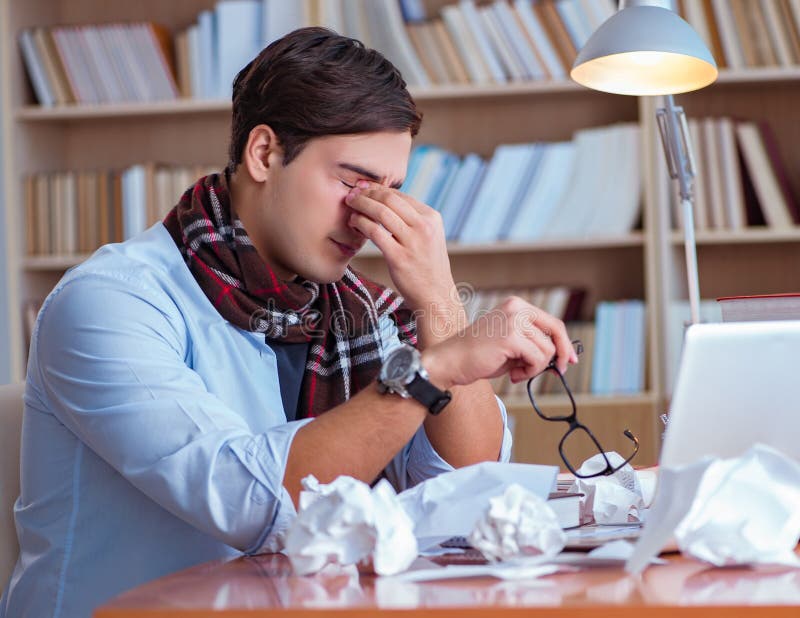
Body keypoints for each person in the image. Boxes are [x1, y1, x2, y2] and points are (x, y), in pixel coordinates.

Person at [0, 27, 577, 618]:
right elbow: (253, 501)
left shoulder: (358, 311)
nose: (368, 217)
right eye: (353, 182)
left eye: (392, 190)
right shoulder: (111, 302)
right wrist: (436, 367)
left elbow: (465, 479)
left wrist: (438, 304)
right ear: (264, 154)